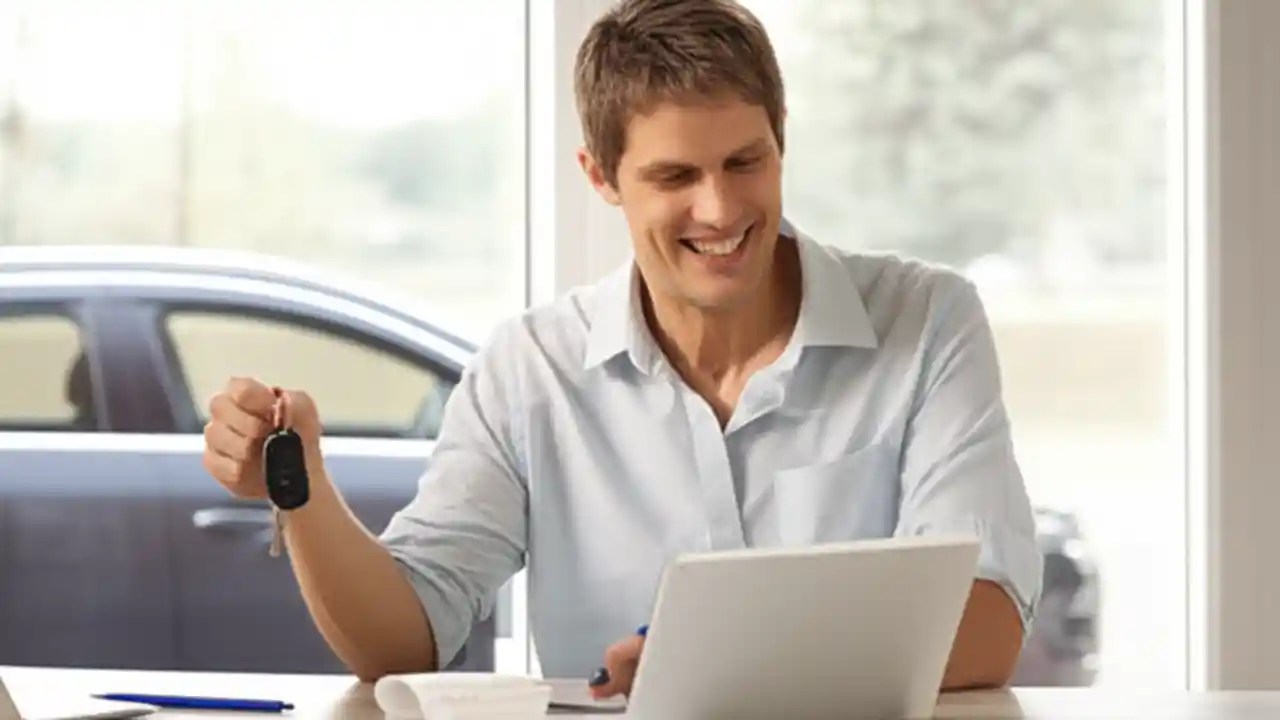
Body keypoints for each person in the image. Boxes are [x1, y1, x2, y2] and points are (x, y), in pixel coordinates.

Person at [201, 0, 1042, 699]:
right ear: (600, 176)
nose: (720, 209)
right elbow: (404, 639)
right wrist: (302, 493)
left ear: (781, 138)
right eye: (676, 177)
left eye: (744, 161)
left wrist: (705, 661)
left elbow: (990, 620)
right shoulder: (529, 370)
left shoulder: (926, 321)